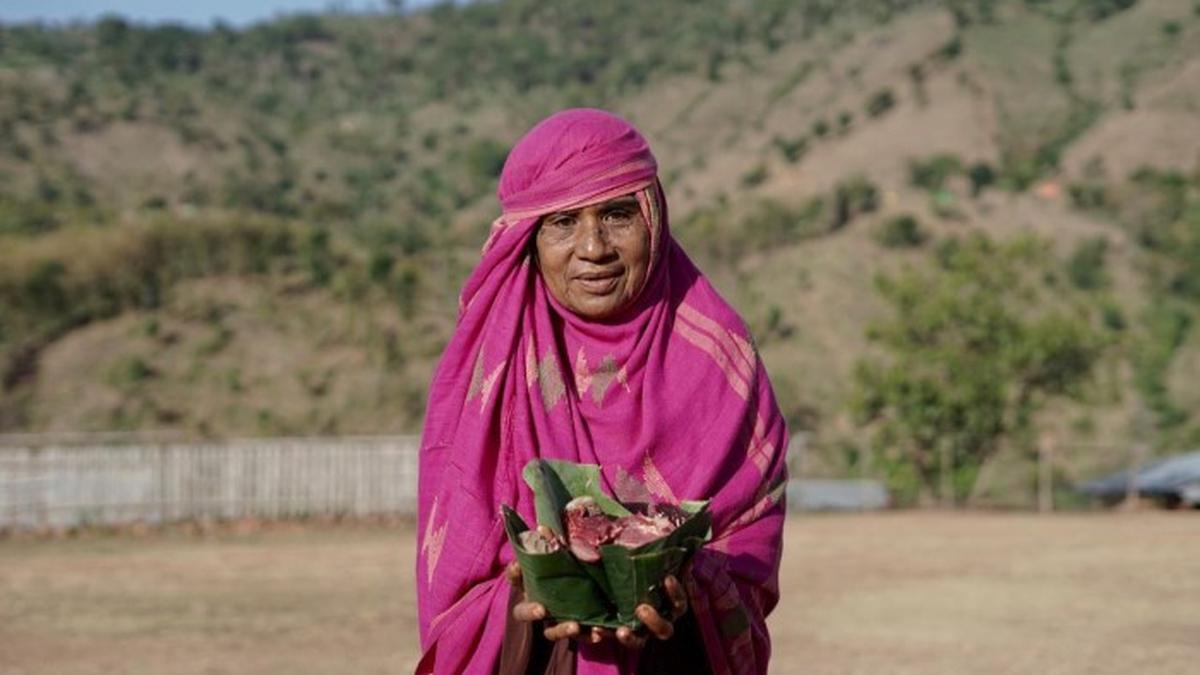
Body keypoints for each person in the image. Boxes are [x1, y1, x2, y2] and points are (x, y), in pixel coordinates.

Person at [416, 109, 788, 675]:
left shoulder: (719, 360)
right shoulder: (494, 367)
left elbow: (748, 553)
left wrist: (682, 584)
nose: (594, 248)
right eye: (562, 222)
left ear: (654, 218)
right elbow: (459, 571)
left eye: (617, 215)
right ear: (528, 240)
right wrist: (531, 590)